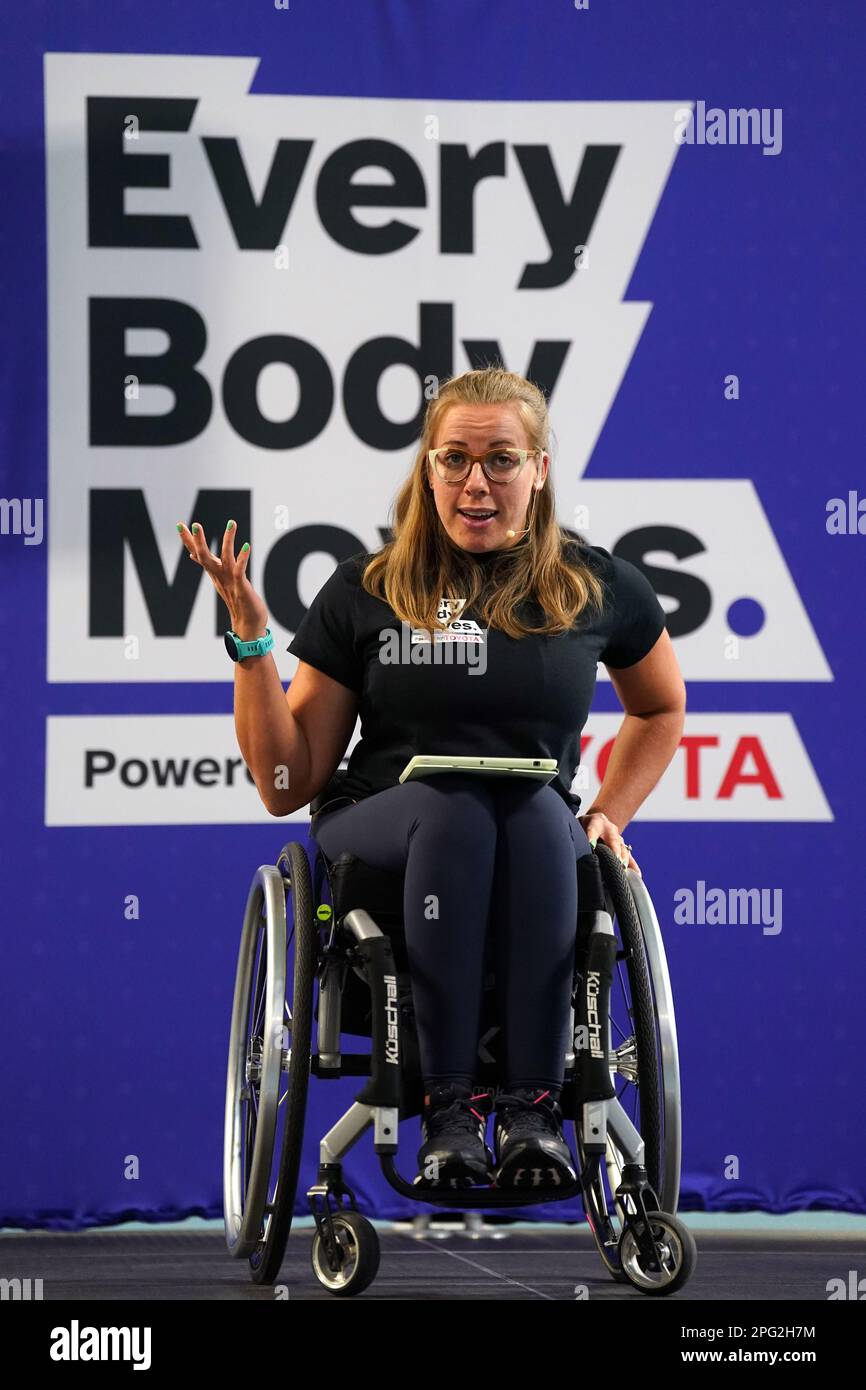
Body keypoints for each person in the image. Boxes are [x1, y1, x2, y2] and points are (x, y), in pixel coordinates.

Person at [177, 367, 686, 1192]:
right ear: (427, 468)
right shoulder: (368, 590)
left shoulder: (595, 586)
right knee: (458, 810)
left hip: (531, 831)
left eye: (501, 460)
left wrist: (610, 812)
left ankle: (529, 1110)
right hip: (380, 831)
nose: (475, 482)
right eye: (453, 459)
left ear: (540, 469)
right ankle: (449, 1109)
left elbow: (660, 707)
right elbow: (285, 778)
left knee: (525, 808)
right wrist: (251, 641)